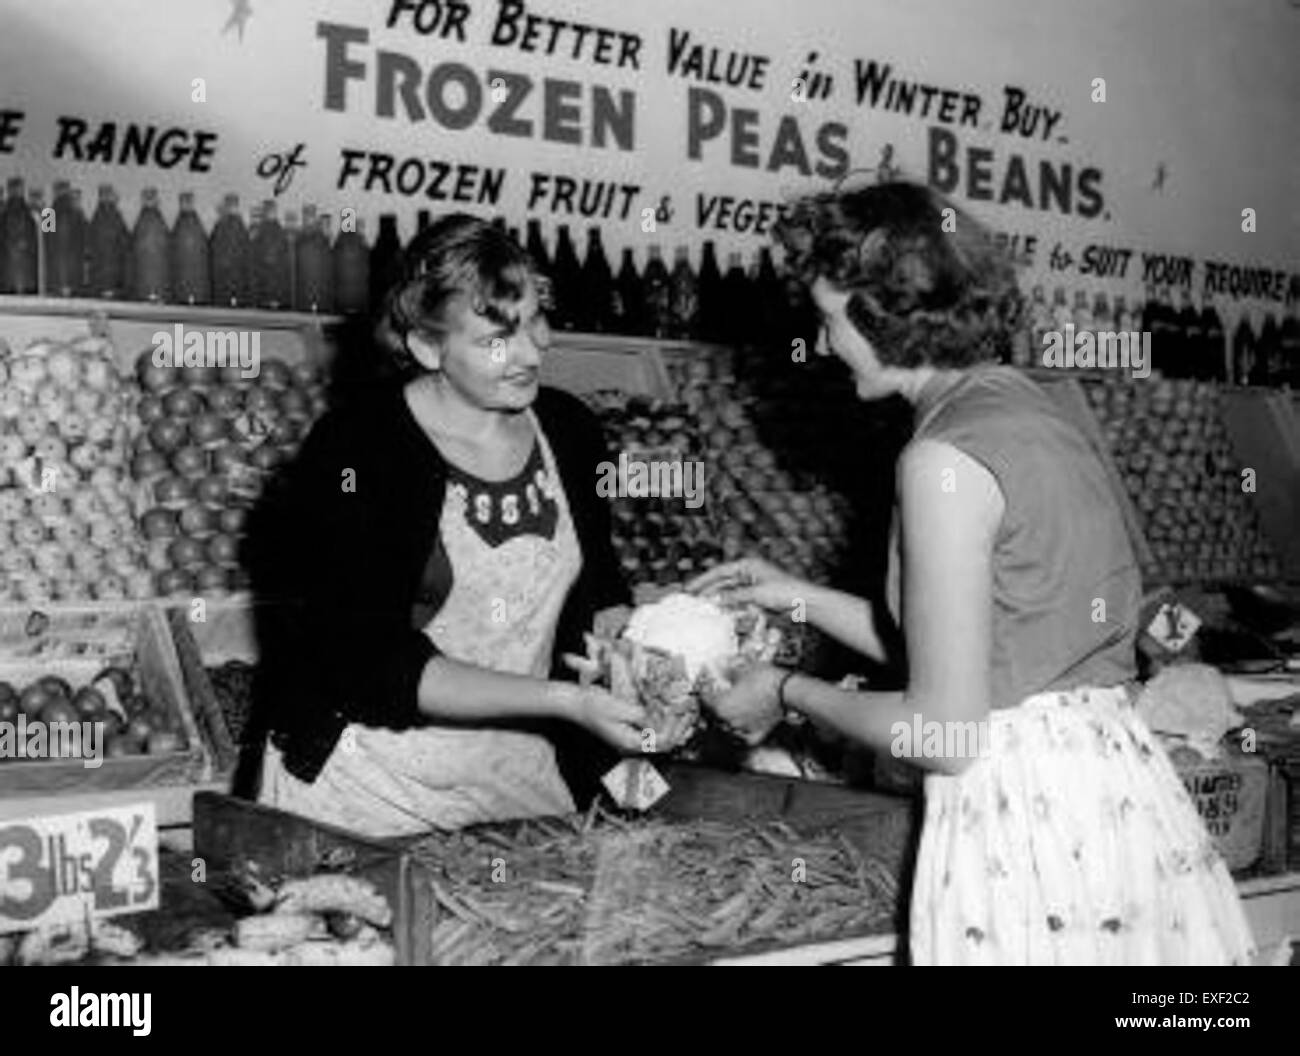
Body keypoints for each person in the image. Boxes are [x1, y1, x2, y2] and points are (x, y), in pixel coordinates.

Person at [691, 182, 1255, 966]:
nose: (824, 346)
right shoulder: (1033, 410)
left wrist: (783, 691)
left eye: (829, 320)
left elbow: (947, 732)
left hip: (1023, 825)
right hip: (1118, 804)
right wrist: (798, 598)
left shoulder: (938, 460)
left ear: (883, 310)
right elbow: (992, 644)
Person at [252, 214, 644, 837]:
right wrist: (568, 703)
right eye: (497, 337)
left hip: (516, 782)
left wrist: (645, 656)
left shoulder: (569, 431)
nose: (532, 350)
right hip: (371, 789)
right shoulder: (357, 450)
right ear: (428, 347)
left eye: (536, 319)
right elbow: (369, 662)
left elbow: (598, 587)